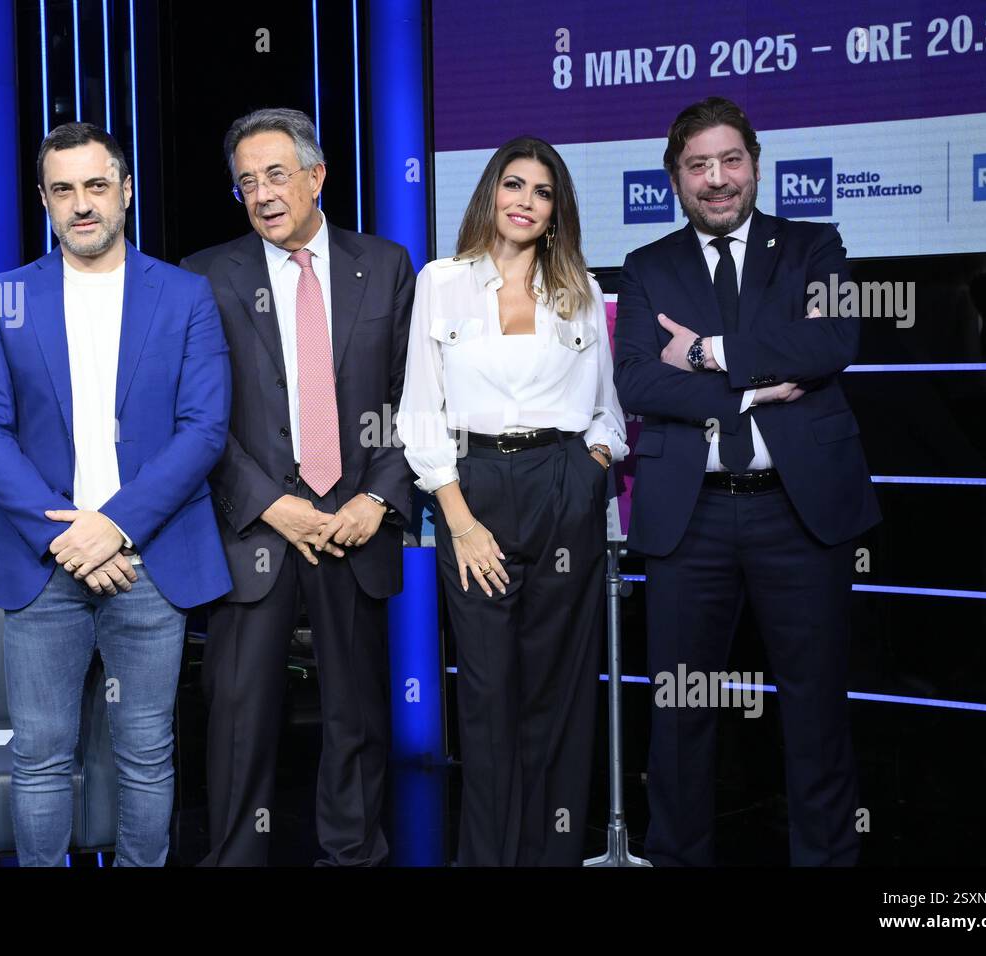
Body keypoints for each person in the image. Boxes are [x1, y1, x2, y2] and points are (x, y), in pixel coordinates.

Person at [613, 97, 881, 866]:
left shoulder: (812, 246)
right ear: (675, 178)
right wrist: (753, 384)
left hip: (800, 516)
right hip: (688, 519)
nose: (717, 179)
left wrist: (708, 354)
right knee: (680, 718)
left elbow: (831, 339)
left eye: (730, 160)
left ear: (755, 165)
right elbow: (635, 380)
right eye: (698, 166)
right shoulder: (647, 267)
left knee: (816, 713)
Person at [0, 122, 232, 866]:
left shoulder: (185, 296)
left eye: (97, 186)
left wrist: (111, 528)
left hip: (151, 560)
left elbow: (204, 430)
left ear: (126, 191)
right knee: (41, 757)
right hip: (41, 565)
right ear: (44, 200)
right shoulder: (4, 298)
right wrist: (67, 537)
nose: (83, 205)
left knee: (146, 754)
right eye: (64, 190)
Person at [181, 108, 414, 866]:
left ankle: (352, 854)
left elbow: (414, 397)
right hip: (255, 529)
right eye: (246, 181)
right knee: (240, 719)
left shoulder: (384, 264)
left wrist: (376, 499)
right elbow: (199, 418)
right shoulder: (205, 276)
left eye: (276, 174)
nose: (262, 193)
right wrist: (273, 505)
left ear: (316, 176)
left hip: (355, 525)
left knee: (357, 719)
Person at [397, 136, 628, 866]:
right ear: (491, 195)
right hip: (475, 491)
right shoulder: (442, 280)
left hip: (563, 484)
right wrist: (458, 522)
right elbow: (419, 413)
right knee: (487, 698)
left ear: (557, 208)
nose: (526, 201)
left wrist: (588, 471)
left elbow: (607, 414)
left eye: (542, 190)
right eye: (514, 185)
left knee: (558, 697)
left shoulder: (580, 289)